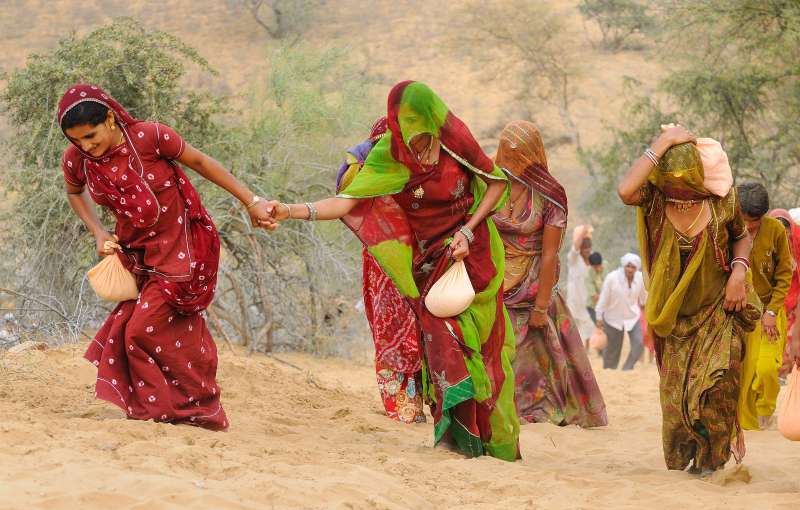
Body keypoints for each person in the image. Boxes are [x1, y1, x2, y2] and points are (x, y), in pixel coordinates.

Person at [263, 81, 521, 461]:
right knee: (444, 338)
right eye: (406, 124)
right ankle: (459, 439)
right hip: (430, 262)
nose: (414, 134)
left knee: (484, 346)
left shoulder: (454, 140)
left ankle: (492, 441)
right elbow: (346, 202)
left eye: (420, 123)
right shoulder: (389, 155)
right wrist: (290, 210)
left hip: (474, 250)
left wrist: (469, 229)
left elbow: (498, 182)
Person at [59, 84, 272, 430]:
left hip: (182, 249)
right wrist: (98, 231)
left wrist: (251, 201)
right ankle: (182, 411)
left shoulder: (150, 138)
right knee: (140, 329)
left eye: (91, 136)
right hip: (137, 255)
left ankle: (185, 408)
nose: (86, 146)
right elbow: (74, 191)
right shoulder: (78, 160)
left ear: (110, 119)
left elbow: (201, 162)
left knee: (140, 329)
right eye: (76, 140)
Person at [617, 126, 760, 473]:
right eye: (670, 179)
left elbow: (741, 238)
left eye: (685, 179)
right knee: (679, 399)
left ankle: (711, 462)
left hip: (718, 310)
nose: (678, 188)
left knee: (718, 385)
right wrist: (662, 142)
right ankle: (690, 458)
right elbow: (625, 190)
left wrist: (739, 274)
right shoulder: (654, 200)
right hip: (675, 320)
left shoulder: (721, 200)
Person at [492, 120, 607, 428]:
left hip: (532, 287)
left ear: (533, 154)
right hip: (492, 284)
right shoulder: (490, 185)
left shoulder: (550, 195)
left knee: (535, 359)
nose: (512, 161)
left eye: (519, 156)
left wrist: (541, 306)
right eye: (507, 154)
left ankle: (538, 414)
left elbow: (549, 254)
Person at [336, 118, 425, 424]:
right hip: (389, 263)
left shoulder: (413, 173)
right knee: (395, 332)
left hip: (408, 261)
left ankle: (410, 406)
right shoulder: (374, 173)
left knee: (413, 331)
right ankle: (406, 406)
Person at [736, 184, 792, 430]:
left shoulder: (776, 231)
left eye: (754, 222)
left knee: (768, 369)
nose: (748, 227)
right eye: (744, 221)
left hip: (770, 314)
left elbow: (784, 275)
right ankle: (749, 422)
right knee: (745, 373)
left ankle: (765, 408)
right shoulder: (727, 229)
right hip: (739, 314)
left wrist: (771, 312)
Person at [595, 253, 647, 370]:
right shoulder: (611, 278)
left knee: (638, 344)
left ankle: (627, 368)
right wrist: (599, 317)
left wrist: (646, 316)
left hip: (633, 317)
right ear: (623, 266)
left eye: (633, 267)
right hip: (613, 319)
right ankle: (609, 371)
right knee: (613, 349)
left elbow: (643, 299)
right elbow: (603, 299)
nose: (630, 269)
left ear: (637, 268)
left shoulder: (640, 278)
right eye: (628, 266)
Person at [769, 208, 800, 380]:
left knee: (791, 334)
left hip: (794, 294)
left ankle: (787, 370)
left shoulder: (798, 240)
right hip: (775, 295)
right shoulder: (763, 237)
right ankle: (777, 371)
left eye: (786, 234)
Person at [566, 227, 596, 346]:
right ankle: (573, 347)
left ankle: (587, 348)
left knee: (589, 323)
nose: (587, 251)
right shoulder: (573, 259)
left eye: (589, 248)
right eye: (585, 249)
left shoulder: (593, 260)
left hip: (588, 298)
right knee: (573, 323)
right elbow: (575, 248)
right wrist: (583, 233)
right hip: (574, 298)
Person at [586, 252, 604, 324]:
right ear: (591, 266)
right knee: (600, 327)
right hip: (593, 307)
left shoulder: (606, 265)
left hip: (606, 305)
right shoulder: (587, 274)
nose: (598, 268)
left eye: (599, 265)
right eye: (595, 267)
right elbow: (594, 297)